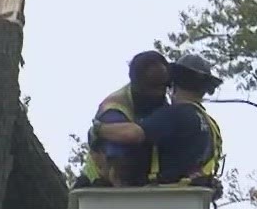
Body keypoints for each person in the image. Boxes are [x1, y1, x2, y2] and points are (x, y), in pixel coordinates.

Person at [82, 49, 225, 192]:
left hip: (163, 195)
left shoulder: (175, 114)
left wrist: (98, 129)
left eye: (162, 89)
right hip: (189, 196)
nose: (160, 96)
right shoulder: (209, 124)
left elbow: (133, 134)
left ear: (173, 83)